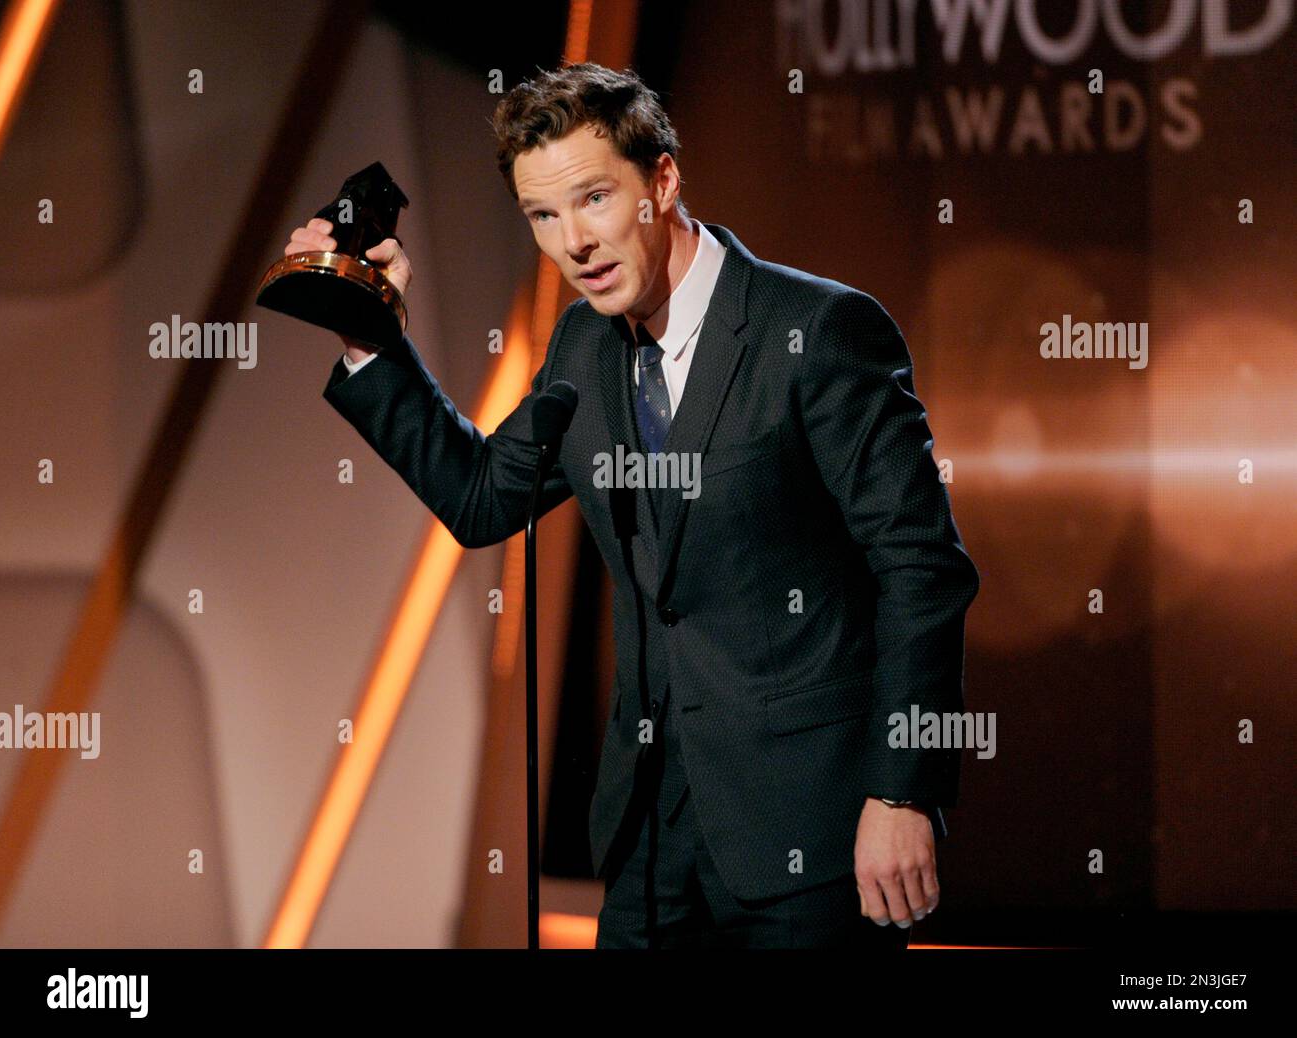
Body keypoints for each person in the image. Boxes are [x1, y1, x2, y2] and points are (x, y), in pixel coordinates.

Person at [285, 62, 979, 949]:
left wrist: (902, 791)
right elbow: (480, 498)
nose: (574, 241)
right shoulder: (582, 345)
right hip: (649, 837)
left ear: (662, 181)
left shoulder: (816, 332)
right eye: (544, 215)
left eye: (594, 199)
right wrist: (368, 334)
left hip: (814, 831)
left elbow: (923, 569)